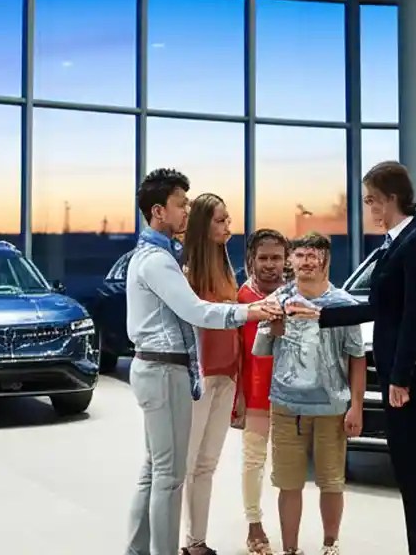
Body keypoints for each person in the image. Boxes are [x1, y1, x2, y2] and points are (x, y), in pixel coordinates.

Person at [282, 161, 416, 555]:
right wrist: (320, 313)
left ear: (392, 198)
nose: (369, 208)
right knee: (408, 472)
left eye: (372, 200)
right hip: (400, 367)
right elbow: (379, 306)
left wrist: (401, 377)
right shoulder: (397, 241)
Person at [125, 168, 277, 555]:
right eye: (181, 205)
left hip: (165, 369)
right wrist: (249, 312)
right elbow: (197, 311)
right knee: (170, 476)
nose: (186, 212)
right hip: (163, 369)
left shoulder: (161, 257)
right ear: (159, 211)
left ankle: (138, 550)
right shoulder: (158, 262)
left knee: (156, 471)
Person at [253, 232, 365, 555]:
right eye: (300, 255)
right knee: (288, 483)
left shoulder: (344, 305)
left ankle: (331, 544)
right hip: (287, 406)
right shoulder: (277, 300)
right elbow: (261, 350)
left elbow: (357, 357)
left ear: (326, 260)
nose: (306, 262)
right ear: (291, 260)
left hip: (332, 406)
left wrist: (356, 406)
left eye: (312, 256)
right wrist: (275, 324)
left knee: (332, 481)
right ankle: (290, 549)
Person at [179, 193, 242, 555]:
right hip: (199, 378)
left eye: (228, 219)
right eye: (221, 221)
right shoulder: (186, 272)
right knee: (186, 464)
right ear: (204, 224)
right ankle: (173, 539)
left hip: (227, 375)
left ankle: (196, 542)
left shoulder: (226, 266)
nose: (228, 227)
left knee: (207, 464)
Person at [234, 228, 290, 555]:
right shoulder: (241, 298)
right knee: (253, 461)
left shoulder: (296, 296)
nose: (270, 264)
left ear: (286, 260)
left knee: (287, 465)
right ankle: (254, 526)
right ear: (251, 260)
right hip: (255, 393)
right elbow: (237, 353)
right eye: (263, 258)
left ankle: (289, 530)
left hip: (289, 395)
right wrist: (238, 397)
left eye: (277, 258)